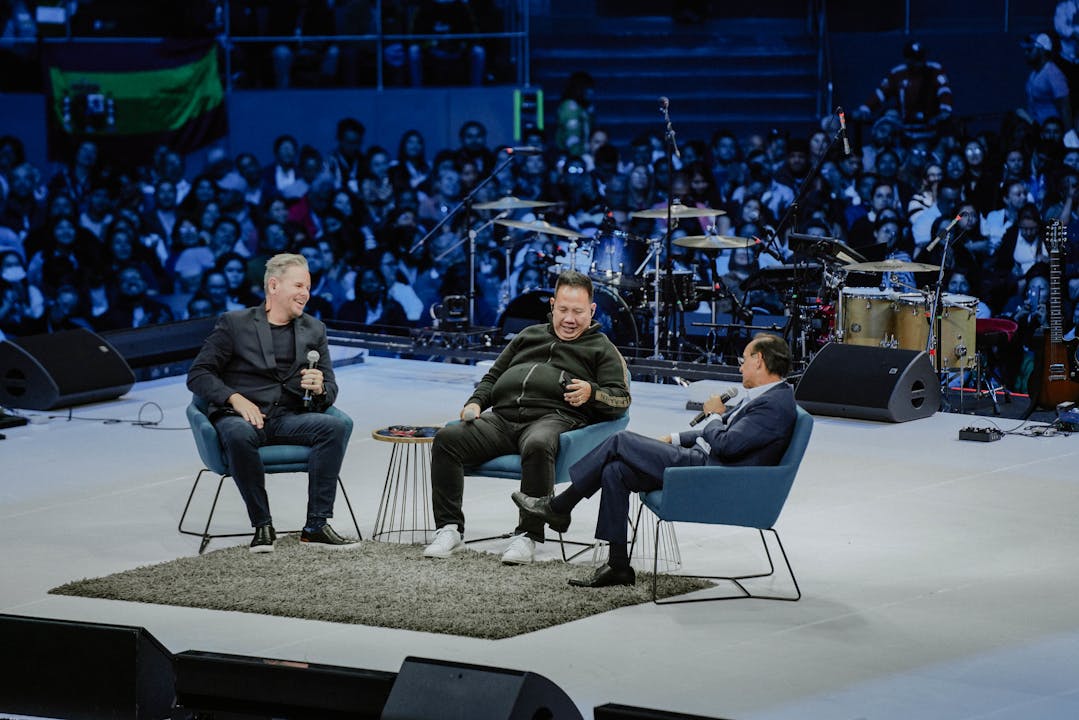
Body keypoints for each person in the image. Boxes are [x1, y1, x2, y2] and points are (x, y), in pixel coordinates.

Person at [513, 333, 797, 587]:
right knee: (616, 470)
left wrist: (714, 414)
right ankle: (618, 565)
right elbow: (726, 437)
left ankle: (560, 506)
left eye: (744, 359)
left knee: (620, 441)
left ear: (759, 361)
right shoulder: (767, 397)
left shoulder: (774, 405)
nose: (740, 366)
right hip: (703, 461)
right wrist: (673, 438)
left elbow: (726, 443)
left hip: (711, 473)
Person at [422, 270, 631, 565]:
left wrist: (592, 393)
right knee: (447, 439)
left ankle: (528, 536)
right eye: (563, 310)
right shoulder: (528, 335)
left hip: (554, 419)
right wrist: (476, 402)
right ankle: (449, 528)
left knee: (538, 442)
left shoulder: (602, 349)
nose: (569, 319)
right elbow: (493, 375)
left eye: (578, 312)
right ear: (552, 305)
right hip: (502, 418)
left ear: (592, 310)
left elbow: (621, 400)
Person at [186, 253, 358, 553]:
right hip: (240, 418)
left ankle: (316, 525)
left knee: (333, 428)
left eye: (308, 287)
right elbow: (198, 374)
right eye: (299, 285)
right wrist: (235, 399)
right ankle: (262, 525)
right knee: (239, 434)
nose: (306, 293)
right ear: (274, 285)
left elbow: (330, 388)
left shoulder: (314, 329)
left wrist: (320, 390)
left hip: (287, 417)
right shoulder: (234, 324)